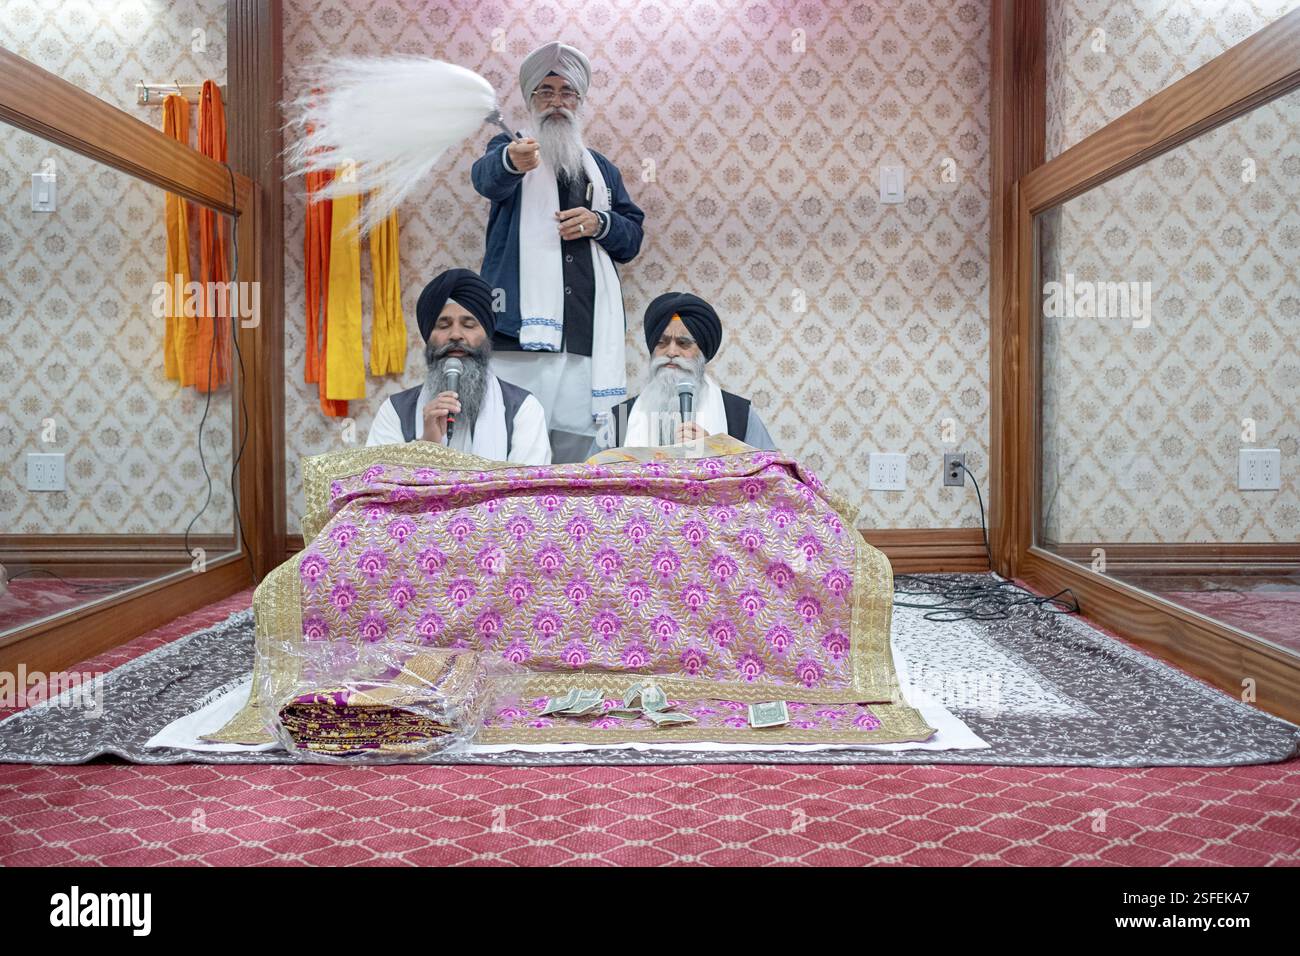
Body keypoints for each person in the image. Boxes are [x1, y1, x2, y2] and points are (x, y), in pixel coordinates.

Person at [471, 40, 644, 463]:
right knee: (511, 450)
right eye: (545, 92)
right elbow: (486, 180)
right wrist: (511, 160)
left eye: (567, 92)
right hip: (518, 335)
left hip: (585, 335)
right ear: (531, 101)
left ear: (580, 102)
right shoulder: (509, 149)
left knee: (579, 458)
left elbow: (632, 238)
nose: (556, 102)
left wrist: (598, 223)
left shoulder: (600, 170)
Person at [366, 268, 551, 465]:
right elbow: (375, 489)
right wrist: (426, 448)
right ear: (428, 338)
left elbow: (529, 492)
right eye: (443, 326)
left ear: (487, 336)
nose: (455, 335)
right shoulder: (395, 411)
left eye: (469, 325)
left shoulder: (523, 409)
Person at [593, 291, 777, 455]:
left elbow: (772, 478)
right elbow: (589, 482)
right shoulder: (619, 418)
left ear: (703, 353)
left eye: (683, 343)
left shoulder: (738, 414)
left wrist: (717, 450)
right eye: (661, 342)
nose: (671, 352)